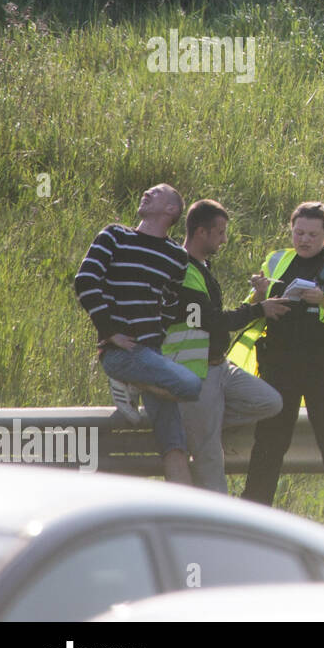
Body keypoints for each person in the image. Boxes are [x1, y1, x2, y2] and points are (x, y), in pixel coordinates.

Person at [228, 202, 324, 527]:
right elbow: (252, 306)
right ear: (291, 229)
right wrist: (258, 296)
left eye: (313, 234)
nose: (304, 240)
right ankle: (253, 526)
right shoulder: (277, 260)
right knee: (268, 447)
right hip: (278, 368)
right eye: (299, 232)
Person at [74, 183, 201, 484]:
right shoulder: (115, 235)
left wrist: (158, 332)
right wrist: (109, 330)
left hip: (153, 355)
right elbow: (85, 280)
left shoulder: (175, 256)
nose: (146, 193)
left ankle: (181, 517)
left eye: (156, 192)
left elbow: (170, 303)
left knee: (174, 444)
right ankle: (128, 379)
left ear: (172, 209)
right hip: (123, 351)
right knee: (191, 385)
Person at [161, 199, 287, 493]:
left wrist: (255, 300)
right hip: (195, 372)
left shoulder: (202, 267)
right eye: (220, 233)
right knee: (209, 463)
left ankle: (198, 425)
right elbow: (211, 320)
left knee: (270, 402)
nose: (225, 239)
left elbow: (216, 319)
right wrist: (260, 310)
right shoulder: (183, 271)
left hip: (220, 369)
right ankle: (213, 527)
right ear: (202, 232)